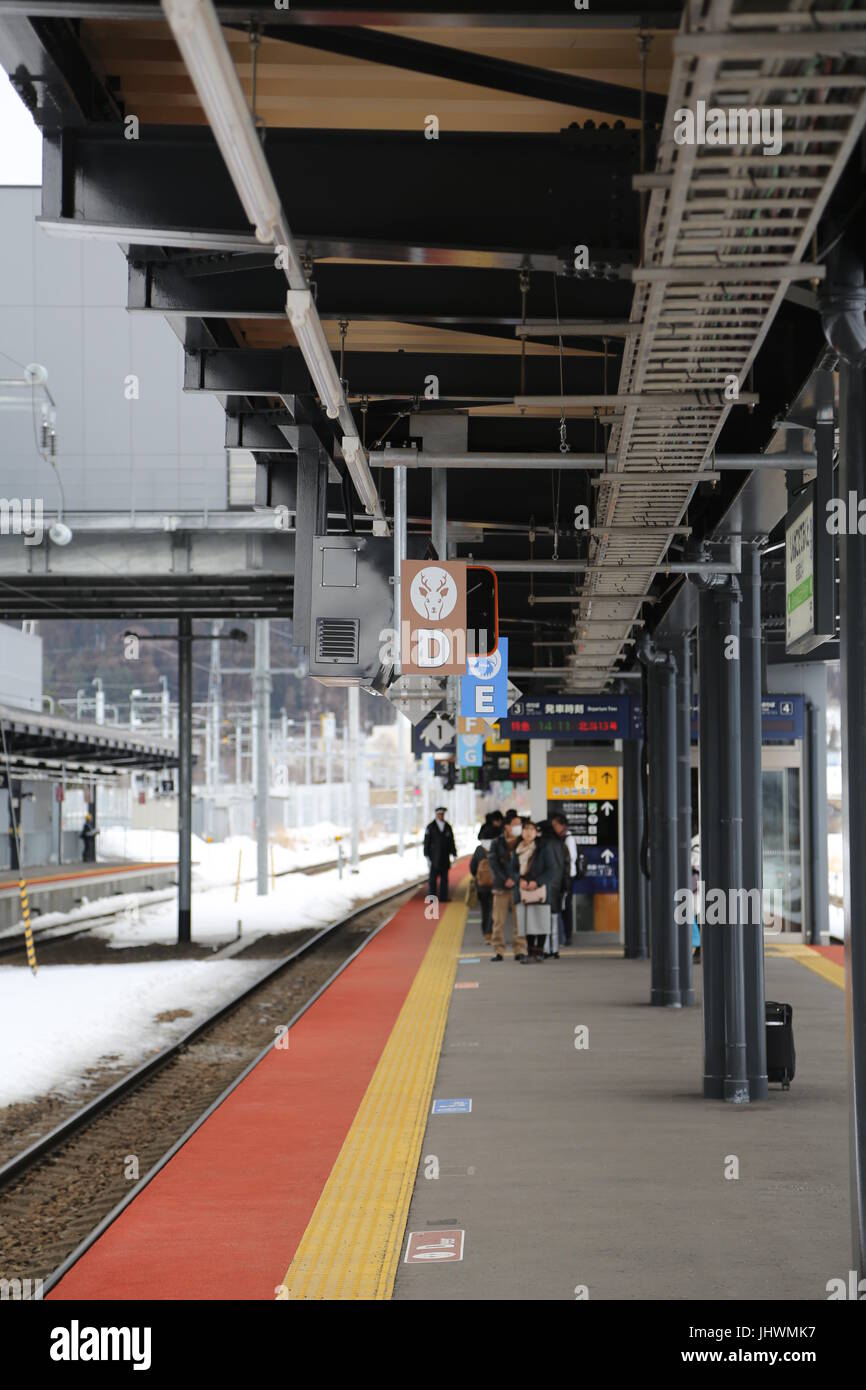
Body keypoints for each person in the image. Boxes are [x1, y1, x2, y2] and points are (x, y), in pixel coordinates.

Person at [514, 818, 557, 962]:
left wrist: (536, 882)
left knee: (541, 921)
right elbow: (512, 869)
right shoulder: (517, 848)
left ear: (536, 832)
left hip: (539, 891)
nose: (528, 832)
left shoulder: (543, 847)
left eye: (531, 829)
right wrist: (519, 880)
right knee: (527, 923)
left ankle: (539, 952)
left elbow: (552, 870)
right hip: (524, 892)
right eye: (525, 829)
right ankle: (530, 952)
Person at [488, 813, 525, 961]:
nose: (519, 827)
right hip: (501, 887)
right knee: (498, 920)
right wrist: (505, 879)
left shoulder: (522, 841)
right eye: (516, 824)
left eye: (520, 824)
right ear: (507, 826)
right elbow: (493, 864)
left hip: (517, 887)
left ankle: (520, 949)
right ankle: (498, 950)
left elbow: (525, 864)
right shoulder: (496, 843)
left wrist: (514, 879)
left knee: (519, 920)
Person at [538, 819, 567, 958]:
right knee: (554, 916)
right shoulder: (560, 844)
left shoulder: (540, 844)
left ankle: (545, 948)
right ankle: (555, 949)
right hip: (557, 885)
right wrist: (565, 885)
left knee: (544, 917)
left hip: (543, 884)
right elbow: (566, 865)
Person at [551, 812, 578, 947]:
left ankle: (567, 936)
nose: (553, 827)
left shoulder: (568, 839)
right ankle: (562, 935)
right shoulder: (558, 839)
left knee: (566, 907)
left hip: (567, 877)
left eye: (555, 825)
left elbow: (570, 858)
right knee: (562, 906)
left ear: (562, 825)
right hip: (560, 876)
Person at [423, 805, 457, 904]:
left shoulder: (448, 826)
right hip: (434, 858)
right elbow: (426, 842)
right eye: (439, 814)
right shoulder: (430, 827)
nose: (441, 816)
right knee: (432, 879)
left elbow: (451, 841)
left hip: (445, 857)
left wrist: (454, 853)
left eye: (442, 814)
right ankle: (432, 898)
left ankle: (443, 897)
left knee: (444, 879)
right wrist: (426, 855)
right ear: (436, 815)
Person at [470, 824, 496, 944]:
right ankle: (491, 931)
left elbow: (472, 867)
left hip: (481, 886)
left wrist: (478, 877)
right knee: (493, 909)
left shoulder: (479, 849)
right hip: (495, 885)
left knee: (484, 909)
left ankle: (486, 933)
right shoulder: (496, 848)